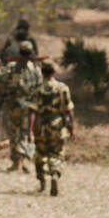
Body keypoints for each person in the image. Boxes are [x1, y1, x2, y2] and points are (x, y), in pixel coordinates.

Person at [0, 43, 40, 171]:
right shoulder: (35, 69)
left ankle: (17, 163)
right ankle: (25, 161)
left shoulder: (12, 67)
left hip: (14, 106)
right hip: (30, 108)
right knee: (27, 133)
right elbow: (40, 87)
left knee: (14, 134)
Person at [32, 59, 75, 197]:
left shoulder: (37, 88)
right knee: (56, 153)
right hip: (57, 125)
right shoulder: (62, 88)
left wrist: (29, 130)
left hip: (40, 124)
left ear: (42, 71)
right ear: (54, 71)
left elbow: (32, 111)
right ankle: (55, 174)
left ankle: (42, 180)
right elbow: (69, 110)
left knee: (40, 153)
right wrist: (71, 128)